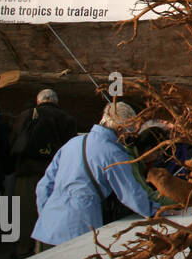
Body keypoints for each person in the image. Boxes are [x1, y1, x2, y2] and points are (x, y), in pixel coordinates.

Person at [32, 101, 159, 250]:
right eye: (128, 133)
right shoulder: (113, 153)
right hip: (79, 228)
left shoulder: (72, 143)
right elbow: (130, 193)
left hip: (47, 227)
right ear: (120, 129)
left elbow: (43, 186)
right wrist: (154, 210)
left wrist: (46, 215)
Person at [8, 89, 78, 259]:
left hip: (27, 170)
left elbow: (13, 143)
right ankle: (47, 247)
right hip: (54, 173)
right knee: (52, 210)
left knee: (25, 211)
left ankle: (23, 248)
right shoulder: (67, 119)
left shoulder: (24, 116)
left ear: (38, 101)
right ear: (56, 101)